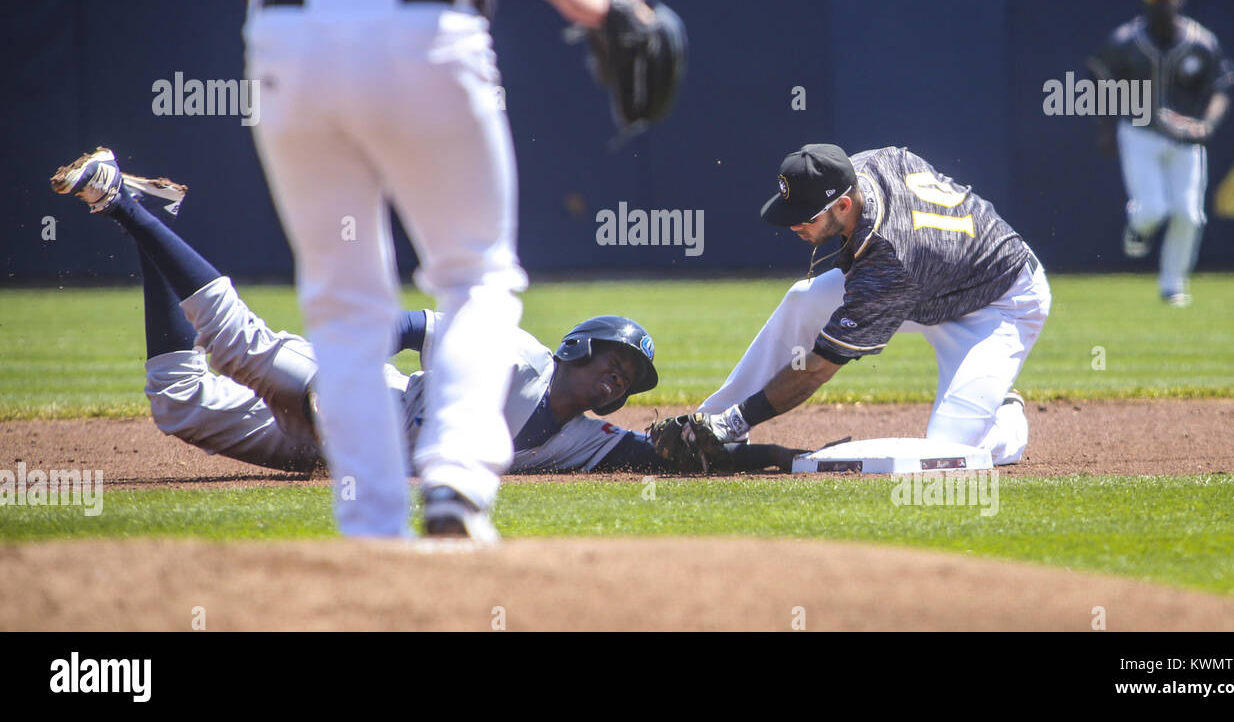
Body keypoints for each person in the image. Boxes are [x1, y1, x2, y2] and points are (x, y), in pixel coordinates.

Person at [242, 0, 657, 540]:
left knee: (344, 304)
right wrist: (588, 1)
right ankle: (457, 489)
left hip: (282, 31)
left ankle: (372, 523)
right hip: (417, 23)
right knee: (476, 278)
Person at [49, 149, 803, 487]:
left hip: (331, 458)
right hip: (357, 397)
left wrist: (778, 458)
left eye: (630, 378)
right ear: (579, 347)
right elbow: (413, 328)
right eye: (615, 359)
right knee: (239, 345)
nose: (618, 377)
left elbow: (664, 458)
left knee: (178, 406)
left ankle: (146, 215)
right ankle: (118, 200)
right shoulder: (510, 355)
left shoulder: (586, 441)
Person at [688, 143, 1051, 466]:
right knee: (804, 299)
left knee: (948, 453)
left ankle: (1005, 414)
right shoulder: (861, 169)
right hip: (933, 280)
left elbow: (819, 366)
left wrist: (745, 415)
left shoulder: (890, 259)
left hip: (998, 303)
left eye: (806, 216)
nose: (794, 225)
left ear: (844, 205)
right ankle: (712, 421)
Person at [1086, 0, 1234, 307]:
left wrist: (1207, 125)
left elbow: (1221, 87)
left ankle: (1173, 286)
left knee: (1189, 214)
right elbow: (1099, 78)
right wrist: (1106, 128)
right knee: (1153, 209)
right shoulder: (1127, 41)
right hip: (1139, 132)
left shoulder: (1200, 42)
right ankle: (1137, 227)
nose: (1161, 0)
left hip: (1185, 138)